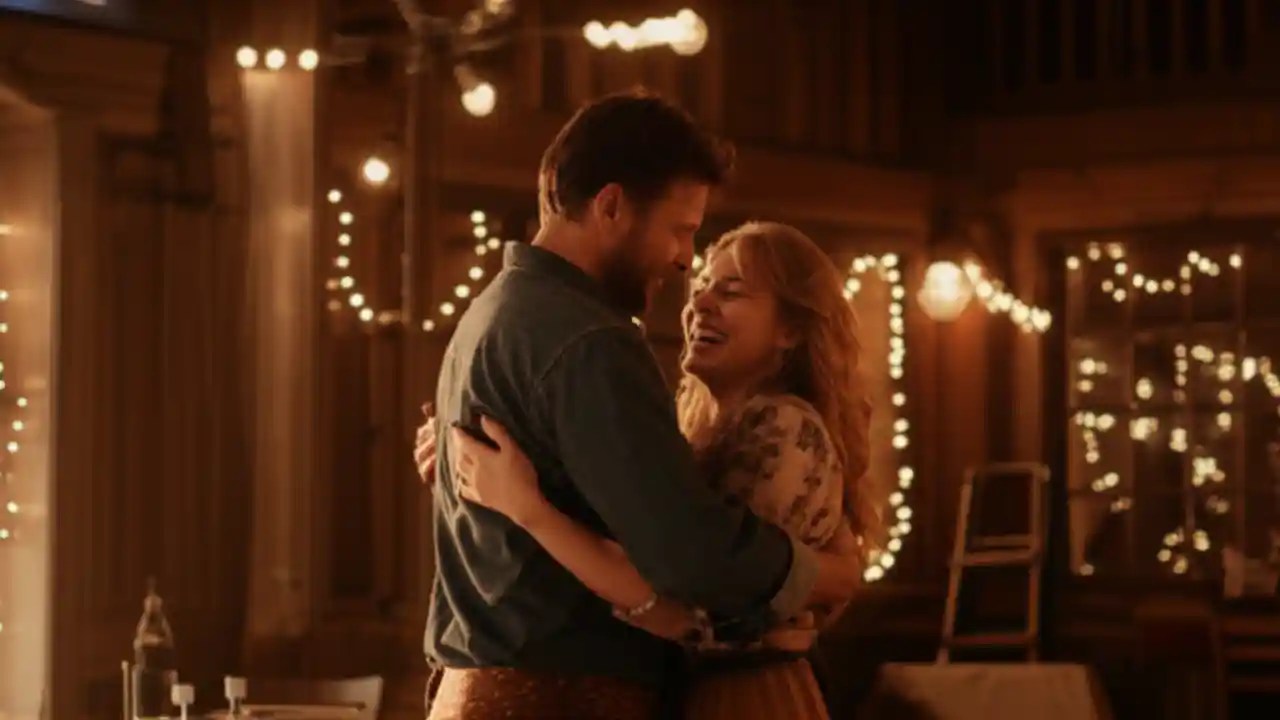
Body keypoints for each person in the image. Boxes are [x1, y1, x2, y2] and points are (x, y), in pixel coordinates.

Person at [419, 90, 865, 720]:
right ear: (611, 206)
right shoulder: (590, 340)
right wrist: (825, 575)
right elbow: (692, 555)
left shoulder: (492, 314)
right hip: (559, 701)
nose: (683, 260)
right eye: (680, 230)